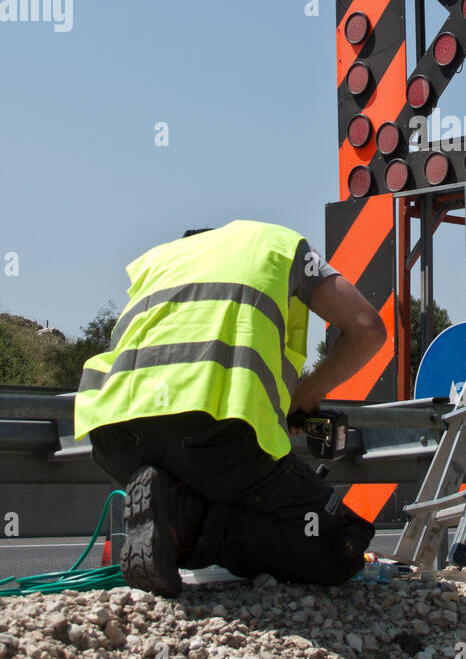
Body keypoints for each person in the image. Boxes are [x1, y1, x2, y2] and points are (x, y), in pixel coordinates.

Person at [75, 220, 386, 596]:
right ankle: (190, 524)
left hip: (116, 435)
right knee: (343, 541)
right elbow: (368, 329)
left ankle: (175, 513)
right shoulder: (278, 245)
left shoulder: (157, 261)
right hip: (217, 432)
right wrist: (308, 393)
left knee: (214, 481)